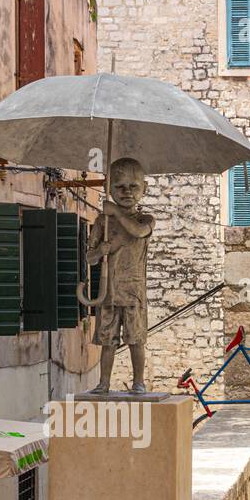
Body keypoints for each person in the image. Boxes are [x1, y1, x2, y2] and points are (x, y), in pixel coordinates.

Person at [86, 156, 155, 394]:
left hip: (134, 291)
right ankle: (104, 382)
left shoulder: (145, 219)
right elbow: (89, 258)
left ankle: (138, 381)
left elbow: (137, 232)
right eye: (119, 187)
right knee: (108, 340)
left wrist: (115, 211)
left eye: (133, 186)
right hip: (109, 290)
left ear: (143, 189)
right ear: (110, 189)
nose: (127, 192)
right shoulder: (102, 222)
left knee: (135, 338)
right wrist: (100, 251)